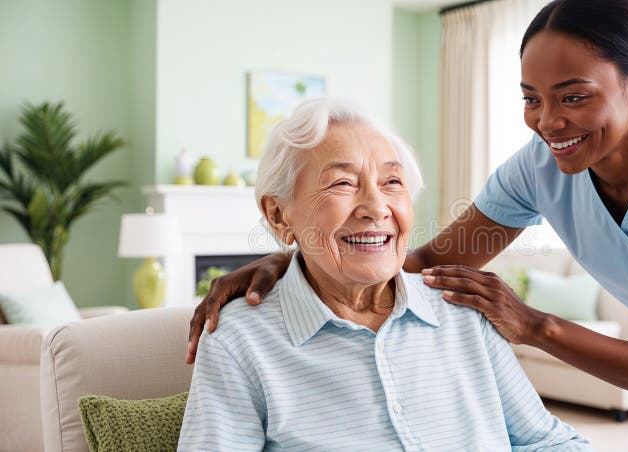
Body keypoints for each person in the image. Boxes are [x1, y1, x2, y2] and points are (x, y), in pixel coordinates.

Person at [187, 1, 628, 450]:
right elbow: (417, 262)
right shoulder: (539, 169)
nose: (549, 122)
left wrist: (535, 325)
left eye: (574, 96)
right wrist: (293, 258)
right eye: (532, 98)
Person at [178, 98, 590, 451]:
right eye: (342, 183)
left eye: (392, 181)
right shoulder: (240, 338)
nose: (376, 207)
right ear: (277, 215)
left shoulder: (464, 310)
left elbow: (549, 442)